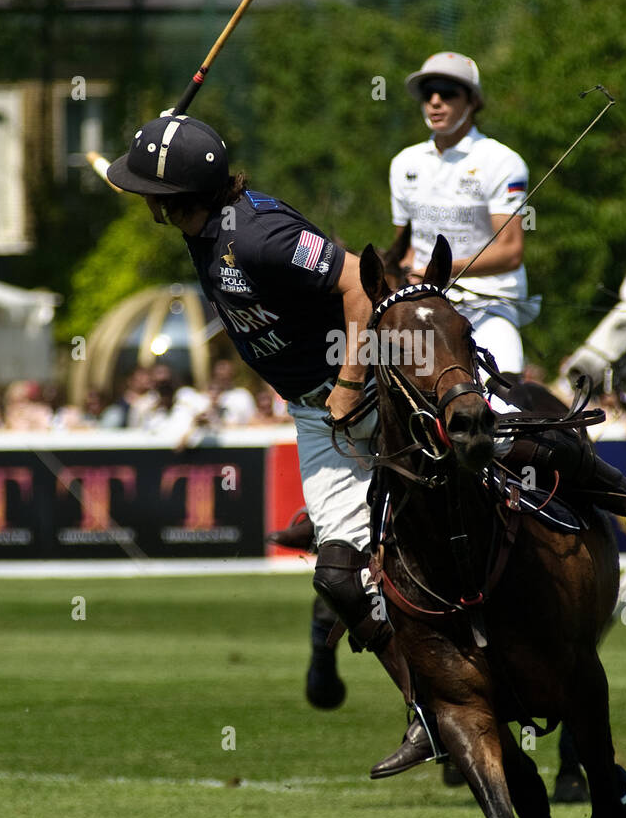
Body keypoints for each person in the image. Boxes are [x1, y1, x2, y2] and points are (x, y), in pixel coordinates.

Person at [105, 113, 432, 778]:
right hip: (315, 419)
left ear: (178, 198)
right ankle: (430, 708)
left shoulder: (260, 234)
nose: (142, 202)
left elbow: (356, 285)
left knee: (472, 496)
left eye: (149, 191)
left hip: (374, 392)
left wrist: (348, 380)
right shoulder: (200, 223)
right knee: (339, 578)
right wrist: (162, 142)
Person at [389, 51, 537, 379]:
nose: (436, 102)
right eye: (428, 94)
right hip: (426, 303)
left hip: (490, 306)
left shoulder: (502, 161)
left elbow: (510, 252)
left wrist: (437, 270)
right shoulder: (403, 164)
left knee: (503, 400)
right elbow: (405, 248)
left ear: (472, 100)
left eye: (447, 92)